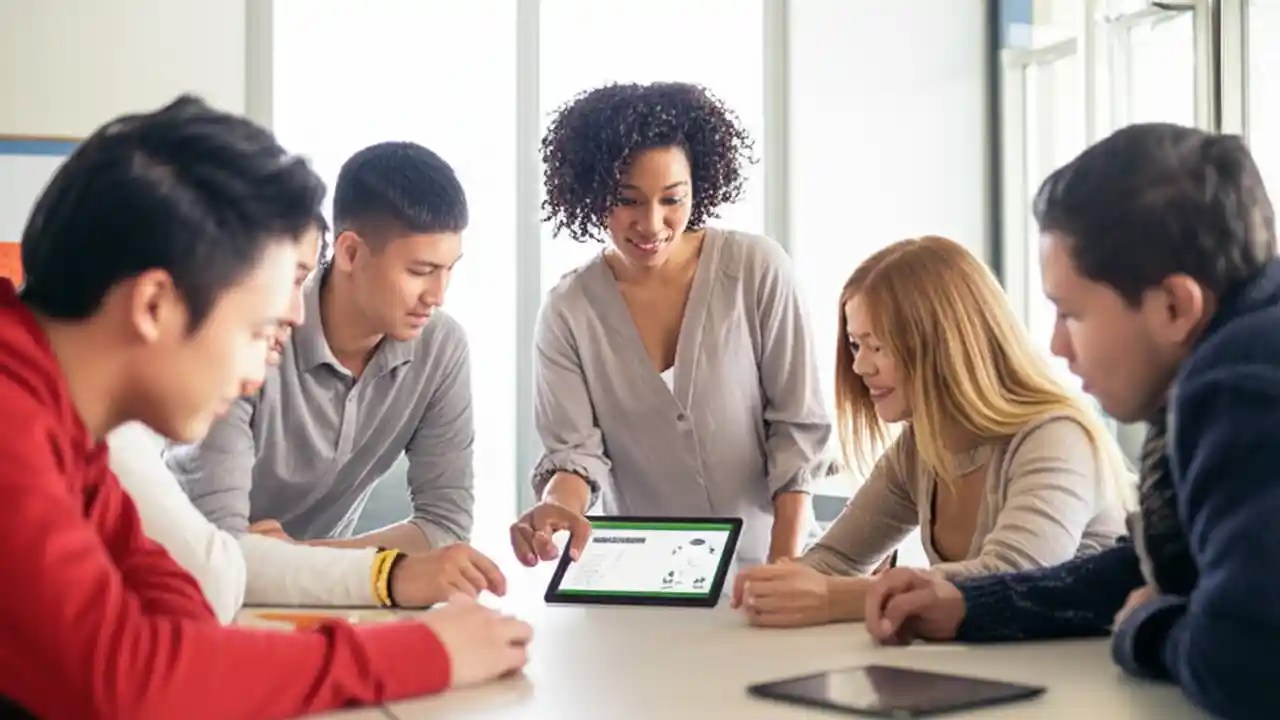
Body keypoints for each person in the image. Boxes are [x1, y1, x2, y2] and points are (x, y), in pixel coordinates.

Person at [0, 95, 530, 719]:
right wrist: (423, 653)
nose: (261, 368)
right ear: (154, 307)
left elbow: (185, 607)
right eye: (257, 331)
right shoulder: (12, 423)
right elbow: (132, 679)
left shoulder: (67, 425)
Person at [864, 123, 1280, 719]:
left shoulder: (1242, 385)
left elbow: (1248, 658)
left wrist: (1147, 625)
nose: (1057, 346)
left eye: (1070, 314)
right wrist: (972, 604)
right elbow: (1151, 566)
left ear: (1174, 306)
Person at [108, 217, 503, 621]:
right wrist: (394, 576)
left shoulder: (112, 437)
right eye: (291, 280)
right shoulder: (112, 445)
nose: (297, 314)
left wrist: (293, 557)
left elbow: (445, 527)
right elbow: (219, 567)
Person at [509, 81, 832, 568]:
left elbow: (797, 431)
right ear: (593, 191)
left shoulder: (755, 269)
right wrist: (558, 504)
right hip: (645, 578)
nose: (652, 223)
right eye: (629, 200)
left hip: (769, 561)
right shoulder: (568, 310)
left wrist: (784, 565)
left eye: (672, 199)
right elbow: (575, 453)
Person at [729, 236, 1130, 627]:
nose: (860, 367)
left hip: (1085, 681)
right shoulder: (919, 447)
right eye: (855, 345)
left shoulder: (1056, 436)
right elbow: (837, 559)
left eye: (878, 346)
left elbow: (1011, 580)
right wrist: (779, 585)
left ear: (944, 343)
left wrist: (837, 597)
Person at [167, 141, 488, 566]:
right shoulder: (255, 336)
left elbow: (445, 528)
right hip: (185, 577)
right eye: (420, 271)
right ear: (350, 252)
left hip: (324, 592)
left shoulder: (441, 348)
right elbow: (221, 542)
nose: (438, 296)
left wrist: (305, 557)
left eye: (449, 270)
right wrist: (312, 565)